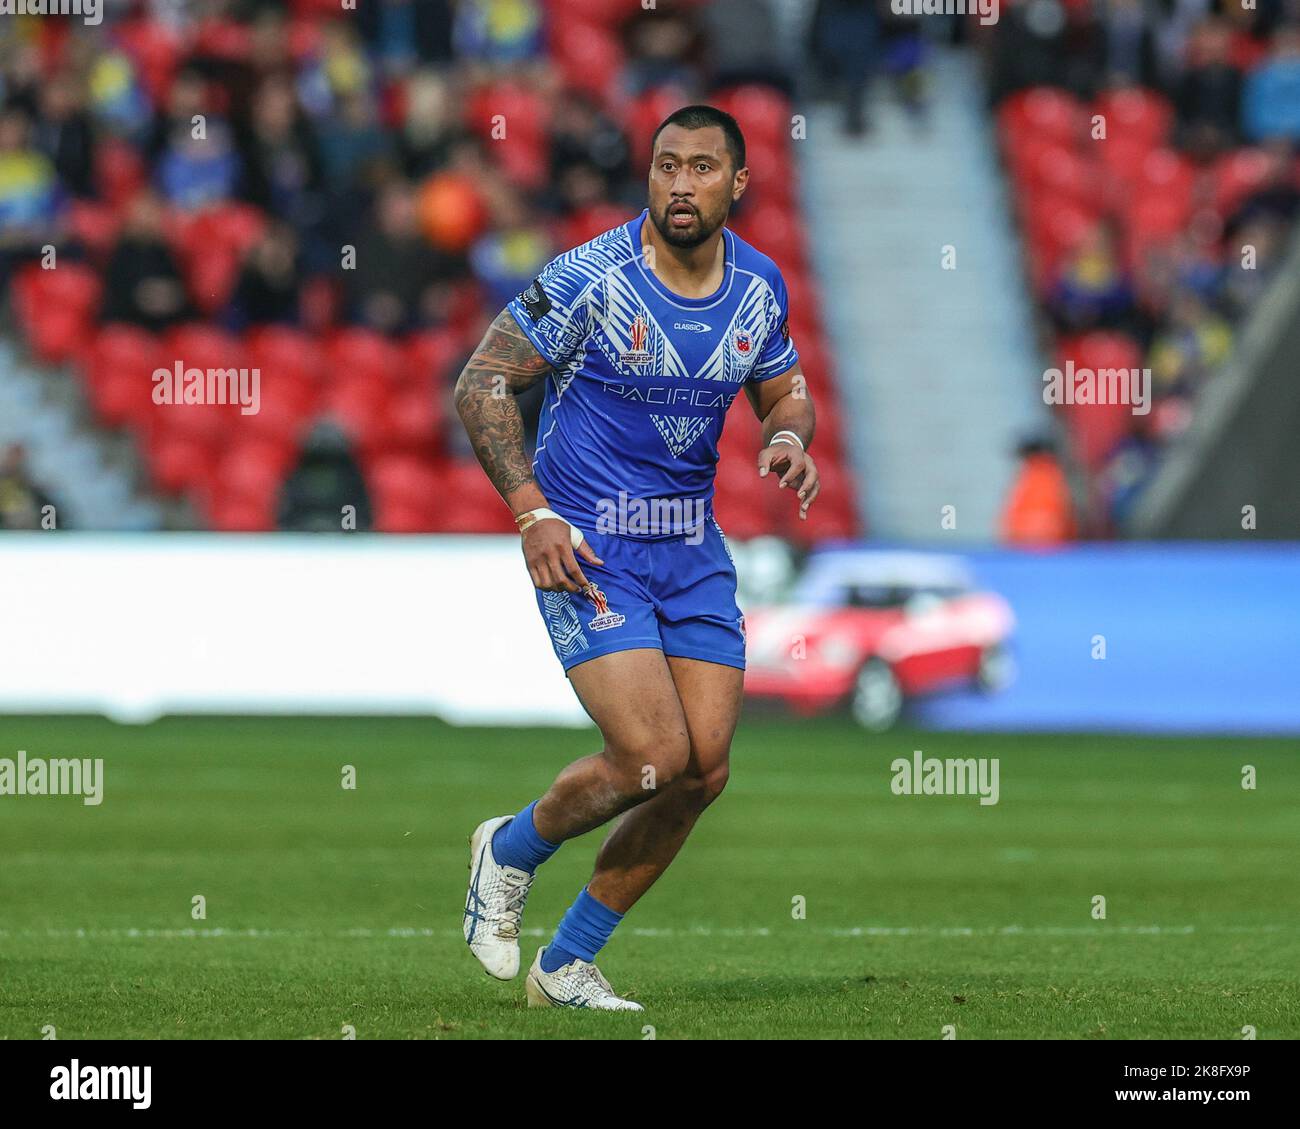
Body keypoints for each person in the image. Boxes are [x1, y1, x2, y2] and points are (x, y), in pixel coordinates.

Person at [454, 105, 820, 1010]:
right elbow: (484, 379)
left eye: (701, 168)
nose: (679, 184)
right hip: (590, 542)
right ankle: (508, 853)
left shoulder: (760, 286)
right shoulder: (591, 276)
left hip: (690, 545)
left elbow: (786, 390)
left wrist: (788, 436)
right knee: (654, 751)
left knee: (704, 770)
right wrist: (531, 511)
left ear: (737, 184)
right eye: (665, 166)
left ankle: (566, 963)